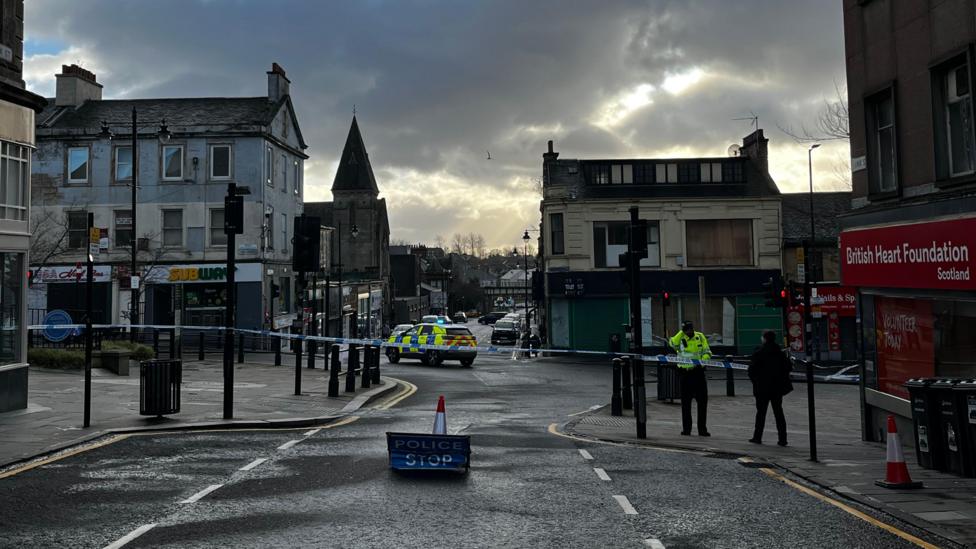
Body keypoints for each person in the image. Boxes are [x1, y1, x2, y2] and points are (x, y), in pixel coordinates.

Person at [748, 330, 793, 446]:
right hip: (776, 388)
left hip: (762, 388)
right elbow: (788, 367)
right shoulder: (779, 352)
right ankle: (783, 439)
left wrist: (755, 381)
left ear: (764, 338)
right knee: (779, 413)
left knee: (761, 413)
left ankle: (757, 437)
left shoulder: (759, 352)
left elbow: (751, 370)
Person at [669, 321, 711, 437]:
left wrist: (702, 362)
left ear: (692, 329)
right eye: (685, 330)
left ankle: (702, 430)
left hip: (698, 373)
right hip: (684, 374)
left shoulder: (700, 336)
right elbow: (672, 343)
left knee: (702, 403)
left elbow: (707, 352)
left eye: (689, 329)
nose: (688, 332)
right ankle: (686, 429)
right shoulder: (680, 337)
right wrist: (680, 333)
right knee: (686, 404)